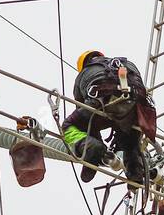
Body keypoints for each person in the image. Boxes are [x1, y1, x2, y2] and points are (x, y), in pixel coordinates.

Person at [62, 50, 157, 185]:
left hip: (102, 100)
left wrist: (93, 139)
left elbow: (82, 110)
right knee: (129, 139)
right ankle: (135, 172)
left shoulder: (84, 73)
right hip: (135, 106)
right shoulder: (125, 64)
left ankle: (94, 150)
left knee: (69, 126)